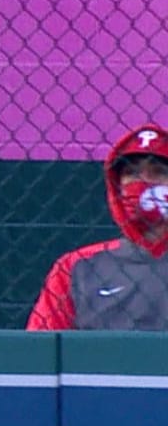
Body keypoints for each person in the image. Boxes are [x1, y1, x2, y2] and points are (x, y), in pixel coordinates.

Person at [29, 123, 168, 330]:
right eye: (131, 173)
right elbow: (42, 344)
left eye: (159, 172)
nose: (143, 182)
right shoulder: (76, 267)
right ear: (117, 186)